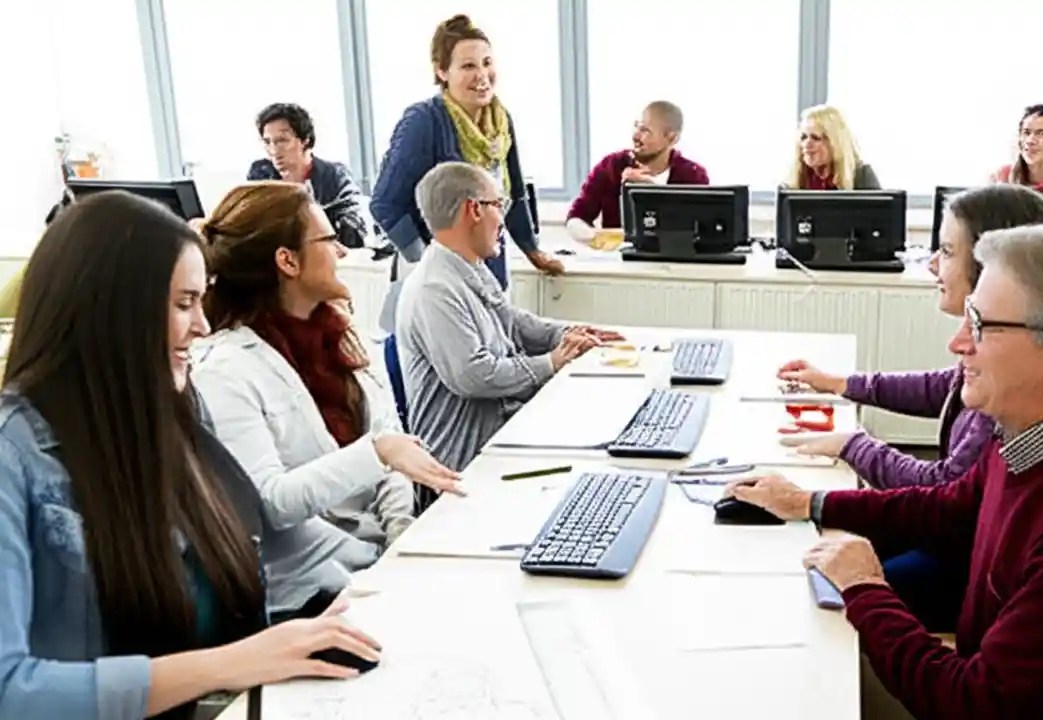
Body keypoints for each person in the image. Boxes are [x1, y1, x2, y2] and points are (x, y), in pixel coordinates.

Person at [730, 223, 1043, 718]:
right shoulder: (1034, 432)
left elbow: (975, 705)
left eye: (981, 325)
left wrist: (865, 588)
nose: (958, 344)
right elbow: (948, 508)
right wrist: (811, 504)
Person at [0, 191, 381, 719]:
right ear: (113, 313)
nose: (202, 325)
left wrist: (305, 632)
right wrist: (232, 664)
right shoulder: (13, 458)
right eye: (184, 304)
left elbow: (242, 567)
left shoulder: (173, 417)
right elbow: (10, 692)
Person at [776, 184, 1043, 630]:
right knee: (811, 542)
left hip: (959, 561)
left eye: (947, 251)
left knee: (814, 592)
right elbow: (939, 388)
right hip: (947, 535)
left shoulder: (1011, 383)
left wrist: (854, 445)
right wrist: (843, 384)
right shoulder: (991, 353)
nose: (932, 264)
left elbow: (943, 492)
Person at [192, 181, 463, 612]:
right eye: (329, 239)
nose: (340, 252)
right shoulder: (226, 372)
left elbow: (391, 444)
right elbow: (271, 502)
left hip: (376, 567)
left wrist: (400, 534)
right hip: (311, 597)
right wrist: (376, 453)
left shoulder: (341, 337)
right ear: (287, 261)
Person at [396, 162, 620, 471]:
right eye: (498, 205)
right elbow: (474, 376)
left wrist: (567, 334)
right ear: (474, 210)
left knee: (604, 419)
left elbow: (511, 322)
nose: (502, 220)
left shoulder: (468, 265)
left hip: (503, 428)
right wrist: (551, 362)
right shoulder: (435, 288)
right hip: (468, 462)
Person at [371, 13, 562, 297]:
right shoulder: (424, 121)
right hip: (434, 276)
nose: (482, 75)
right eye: (468, 66)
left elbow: (515, 195)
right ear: (442, 71)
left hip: (488, 271)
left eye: (487, 63)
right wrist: (428, 264)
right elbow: (384, 204)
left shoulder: (499, 121)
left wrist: (532, 251)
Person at [565, 100, 709, 240]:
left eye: (645, 130)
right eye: (636, 127)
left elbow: (702, 232)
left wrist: (652, 191)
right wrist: (597, 238)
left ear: (671, 138)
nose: (635, 136)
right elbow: (575, 218)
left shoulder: (694, 176)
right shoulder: (610, 166)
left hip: (674, 262)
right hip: (619, 260)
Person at [247, 103, 375, 250]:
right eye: (267, 142)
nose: (274, 151)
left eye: (282, 141)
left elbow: (356, 223)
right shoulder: (261, 174)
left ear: (305, 140)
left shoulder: (334, 175)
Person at [784, 105, 880, 191]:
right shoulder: (793, 182)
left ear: (835, 142)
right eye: (803, 137)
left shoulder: (862, 177)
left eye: (816, 138)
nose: (806, 144)